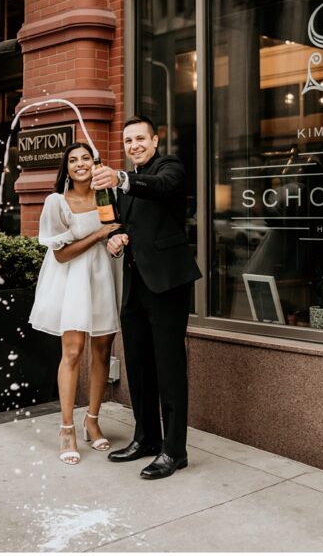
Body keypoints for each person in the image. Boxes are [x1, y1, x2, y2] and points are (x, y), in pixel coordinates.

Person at [91, 116, 202, 480]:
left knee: (169, 369)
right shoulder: (126, 182)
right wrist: (116, 238)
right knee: (138, 368)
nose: (134, 145)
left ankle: (174, 451)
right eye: (128, 141)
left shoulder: (169, 167)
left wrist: (121, 178)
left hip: (167, 284)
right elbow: (126, 225)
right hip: (136, 286)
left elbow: (163, 186)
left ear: (155, 140)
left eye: (140, 138)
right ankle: (147, 439)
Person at [30, 143, 121, 464]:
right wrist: (99, 235)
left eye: (86, 158)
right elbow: (60, 254)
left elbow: (117, 233)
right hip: (72, 283)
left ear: (95, 164)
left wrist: (116, 240)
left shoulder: (108, 196)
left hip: (102, 277)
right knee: (72, 351)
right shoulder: (57, 202)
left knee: (102, 351)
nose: (80, 164)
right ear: (66, 168)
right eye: (73, 160)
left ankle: (92, 421)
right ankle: (66, 428)